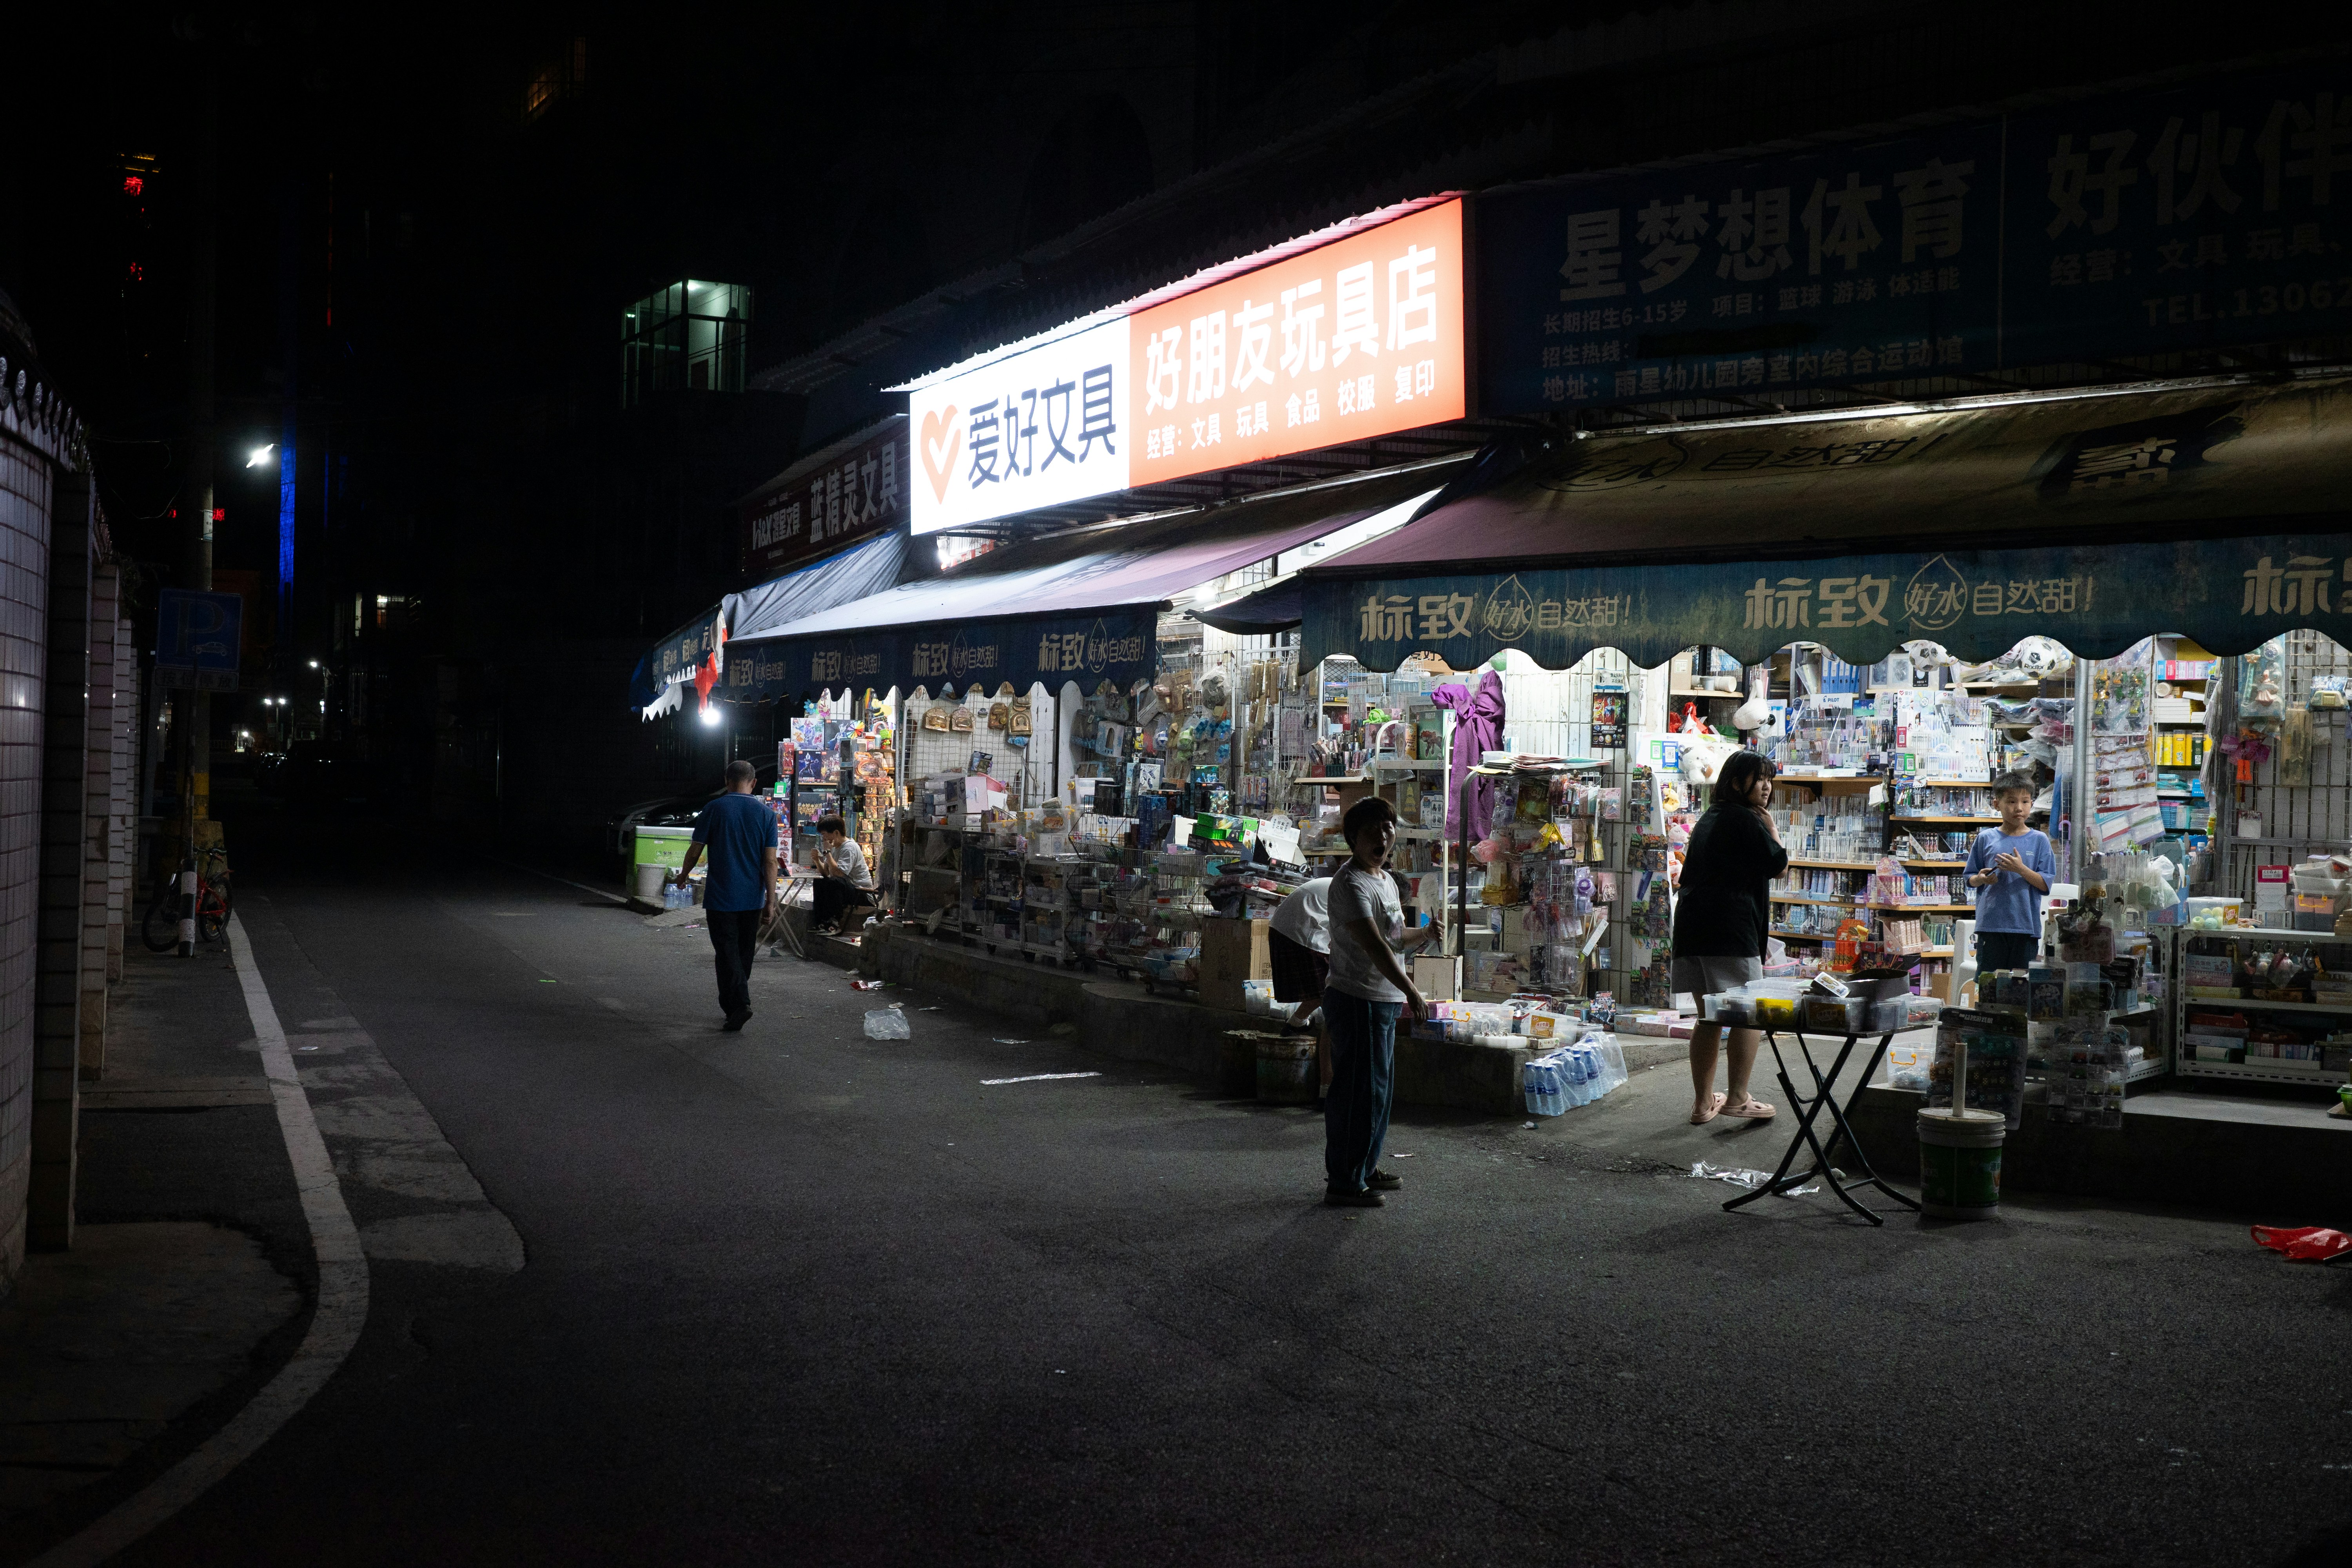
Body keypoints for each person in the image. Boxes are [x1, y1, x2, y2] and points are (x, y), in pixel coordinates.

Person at [1321, 797, 1442, 1208]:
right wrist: (1412, 989)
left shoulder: (1385, 881)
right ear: (1353, 838)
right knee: (1358, 1094)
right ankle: (1344, 1180)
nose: (1383, 836)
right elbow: (1375, 947)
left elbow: (1394, 938)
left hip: (1382, 1000)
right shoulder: (1349, 883)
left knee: (1378, 1093)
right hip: (1358, 998)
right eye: (1373, 830)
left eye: (1388, 829)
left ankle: (1364, 1168)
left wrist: (1425, 934)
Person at [1673, 749, 1787, 1126]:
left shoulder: (1713, 815)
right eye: (1759, 779)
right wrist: (1770, 825)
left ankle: (1702, 1103)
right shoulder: (1744, 819)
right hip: (1728, 930)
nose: (1767, 786)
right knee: (1746, 1016)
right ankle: (1738, 1098)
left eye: (1770, 778)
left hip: (1693, 930)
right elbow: (1779, 865)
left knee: (1709, 1016)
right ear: (1737, 783)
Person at [673, 759, 779, 1031]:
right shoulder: (766, 815)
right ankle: (735, 1008)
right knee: (744, 953)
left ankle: (738, 1005)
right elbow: (770, 863)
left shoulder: (714, 809)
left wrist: (683, 875)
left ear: (726, 781)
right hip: (752, 899)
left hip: (721, 898)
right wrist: (771, 900)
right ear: (753, 783)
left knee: (726, 952)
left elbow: (695, 850)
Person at [1964, 770, 2055, 973]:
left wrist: (2020, 869)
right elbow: (1969, 879)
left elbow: (2045, 884)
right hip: (1991, 926)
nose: (2019, 808)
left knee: (2020, 987)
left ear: (2032, 803)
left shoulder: (2040, 840)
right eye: (2012, 802)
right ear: (1997, 805)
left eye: (2025, 802)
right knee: (1989, 985)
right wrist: (1981, 879)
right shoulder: (1986, 838)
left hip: (2026, 927)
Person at [1269, 876, 1332, 1096]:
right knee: (1335, 1006)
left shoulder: (1352, 882)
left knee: (1324, 988)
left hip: (1284, 927)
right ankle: (1327, 1089)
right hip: (1301, 932)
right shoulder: (1361, 892)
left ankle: (1296, 1022)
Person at [810, 817, 877, 936]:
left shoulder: (849, 847)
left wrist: (827, 853)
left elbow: (838, 874)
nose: (824, 838)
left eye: (825, 834)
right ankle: (822, 922)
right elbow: (826, 873)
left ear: (836, 833)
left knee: (835, 882)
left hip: (862, 894)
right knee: (819, 882)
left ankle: (835, 923)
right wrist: (816, 860)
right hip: (848, 890)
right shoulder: (834, 848)